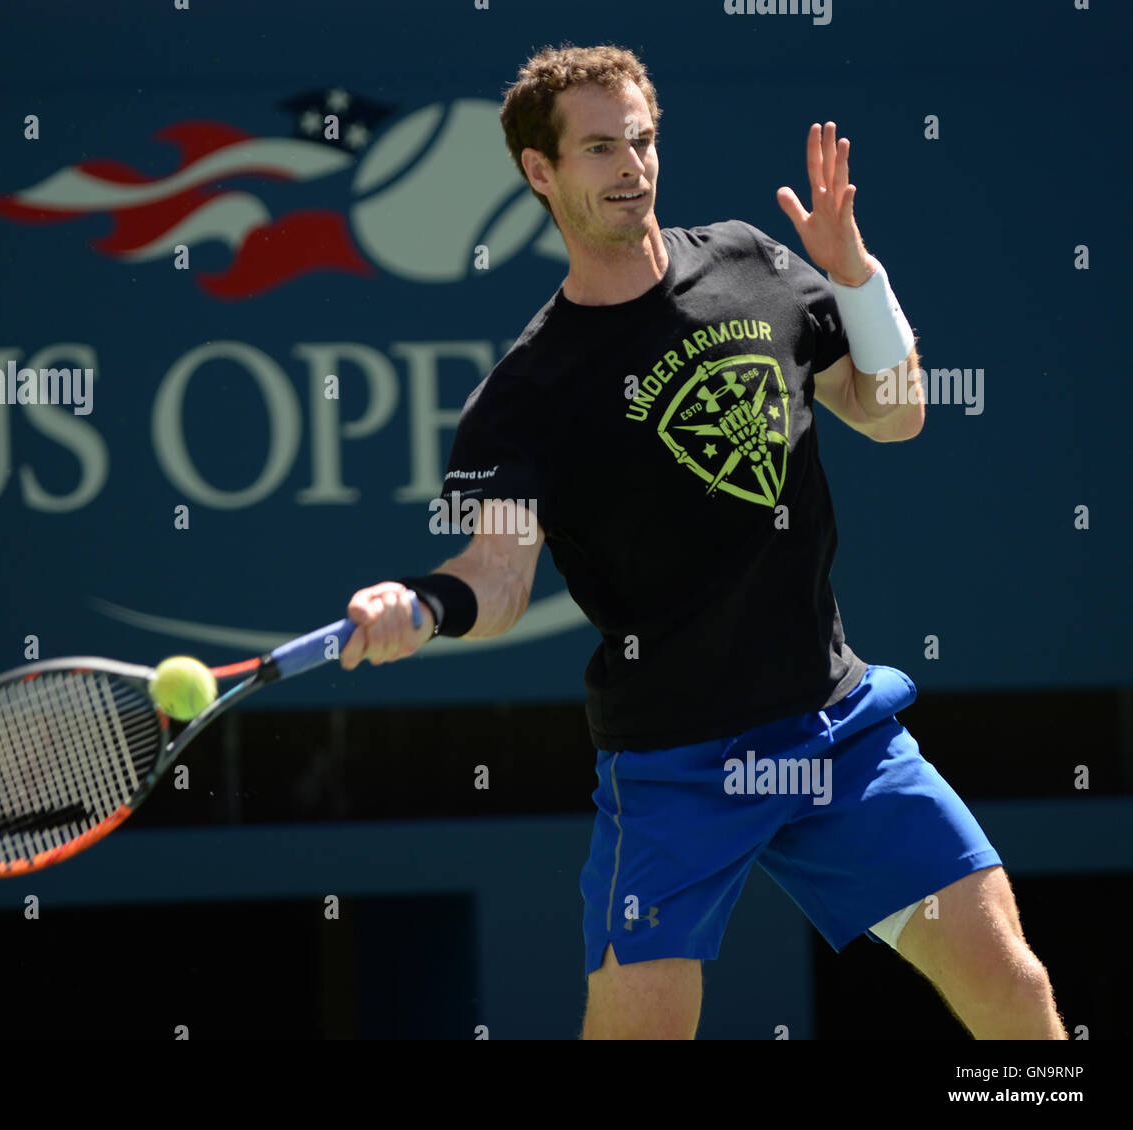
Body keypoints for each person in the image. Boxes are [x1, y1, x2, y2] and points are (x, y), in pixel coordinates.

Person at [339, 44, 1065, 1040]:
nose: (631, 164)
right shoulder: (521, 400)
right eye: (599, 147)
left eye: (641, 139)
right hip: (675, 769)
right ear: (538, 172)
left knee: (1015, 995)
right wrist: (418, 604)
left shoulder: (750, 261)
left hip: (837, 731)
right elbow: (498, 580)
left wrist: (856, 277)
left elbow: (892, 413)